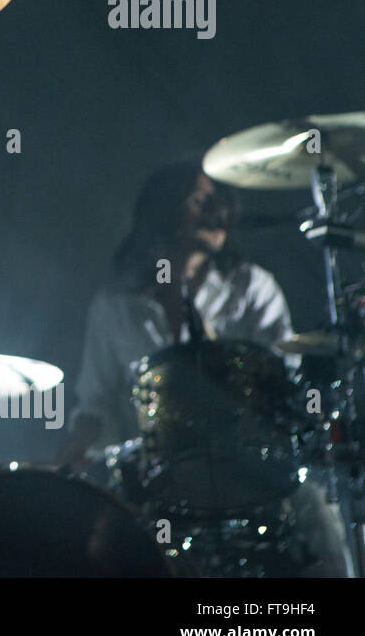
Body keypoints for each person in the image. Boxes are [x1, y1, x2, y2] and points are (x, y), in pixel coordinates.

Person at [58, 161, 353, 576]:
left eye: (221, 200)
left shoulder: (252, 288)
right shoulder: (115, 307)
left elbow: (282, 381)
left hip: (252, 463)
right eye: (201, 199)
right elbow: (96, 401)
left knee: (321, 514)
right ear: (163, 210)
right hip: (154, 477)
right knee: (96, 545)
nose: (219, 211)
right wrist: (77, 449)